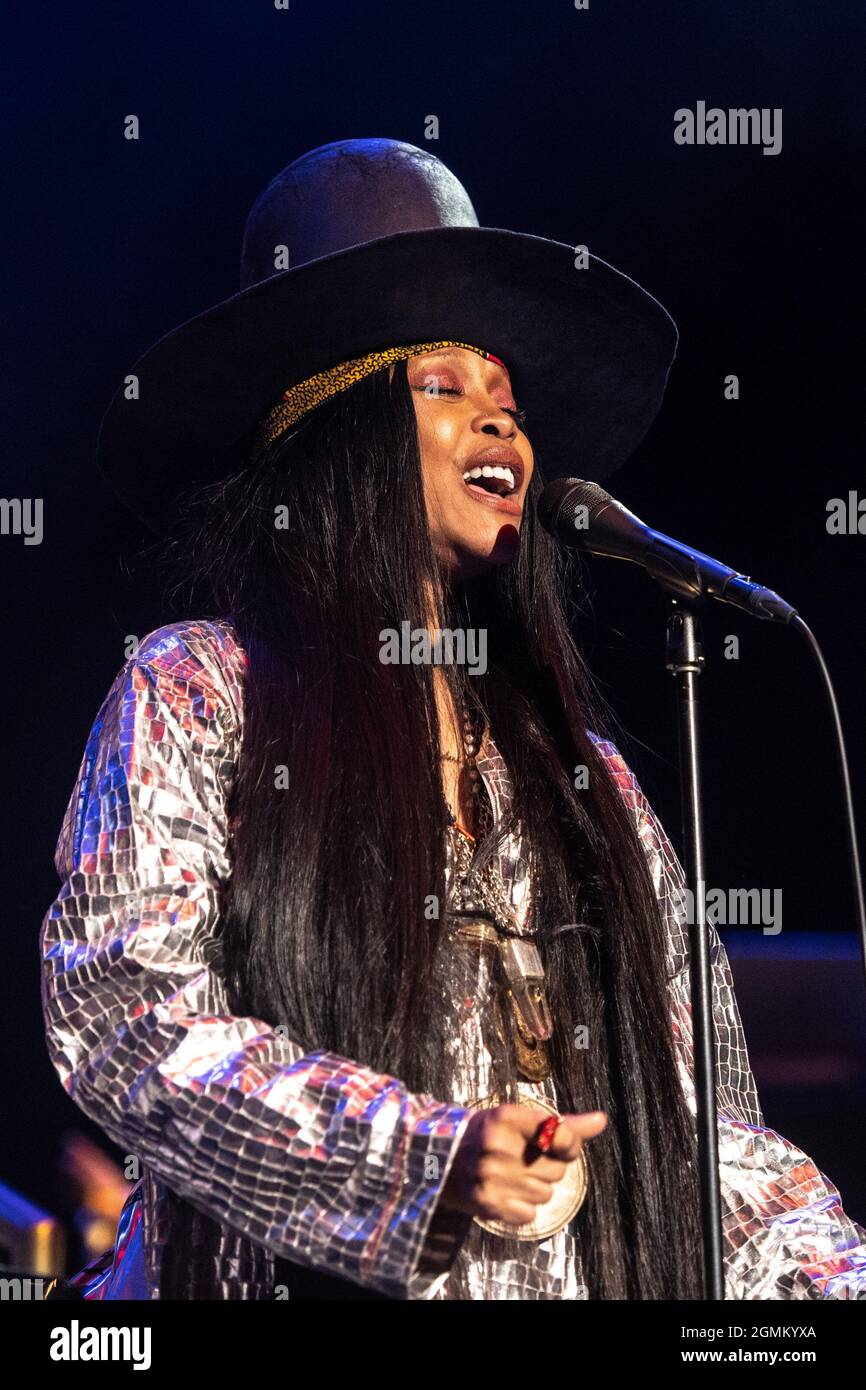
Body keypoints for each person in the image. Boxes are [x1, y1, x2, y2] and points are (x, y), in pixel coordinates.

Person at [40, 138, 866, 1301]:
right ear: (335, 432)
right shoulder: (201, 692)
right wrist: (419, 1159)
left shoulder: (587, 782)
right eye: (444, 388)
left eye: (511, 407)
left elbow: (713, 1145)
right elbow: (120, 1012)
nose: (504, 431)